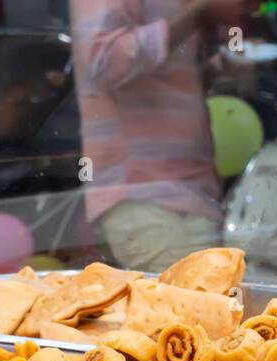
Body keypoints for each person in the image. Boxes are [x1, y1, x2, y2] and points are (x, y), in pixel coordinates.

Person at [70, 0, 249, 272]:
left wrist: (224, 62)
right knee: (187, 305)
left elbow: (169, 78)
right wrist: (199, 13)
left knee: (204, 303)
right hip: (141, 192)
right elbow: (102, 61)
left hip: (191, 191)